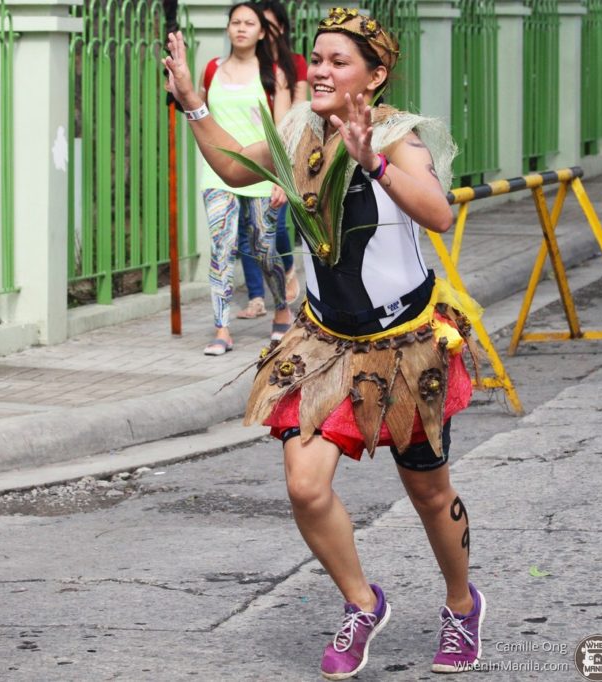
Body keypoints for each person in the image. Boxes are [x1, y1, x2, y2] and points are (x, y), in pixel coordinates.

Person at [163, 7, 486, 679]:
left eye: (339, 61)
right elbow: (236, 166)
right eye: (317, 58)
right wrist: (194, 104)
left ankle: (460, 604)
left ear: (376, 74)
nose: (321, 70)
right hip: (325, 343)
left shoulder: (397, 136)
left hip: (406, 346)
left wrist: (374, 163)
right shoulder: (298, 130)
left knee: (429, 494)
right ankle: (362, 602)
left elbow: (439, 211)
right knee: (305, 487)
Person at [198, 2, 292, 356]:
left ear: (262, 32)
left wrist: (281, 179)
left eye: (248, 23)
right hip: (217, 173)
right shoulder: (212, 70)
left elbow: (283, 132)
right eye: (235, 22)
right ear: (227, 29)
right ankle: (222, 329)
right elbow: (202, 118)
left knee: (264, 248)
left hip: (262, 174)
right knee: (221, 248)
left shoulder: (275, 75)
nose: (240, 28)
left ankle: (282, 307)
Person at [236, 0, 306, 320]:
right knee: (246, 228)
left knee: (272, 224)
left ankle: (287, 265)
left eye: (270, 25)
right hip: (249, 152)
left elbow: (300, 110)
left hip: (282, 149)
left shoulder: (294, 64)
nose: (265, 32)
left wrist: (288, 152)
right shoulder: (247, 65)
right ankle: (255, 296)